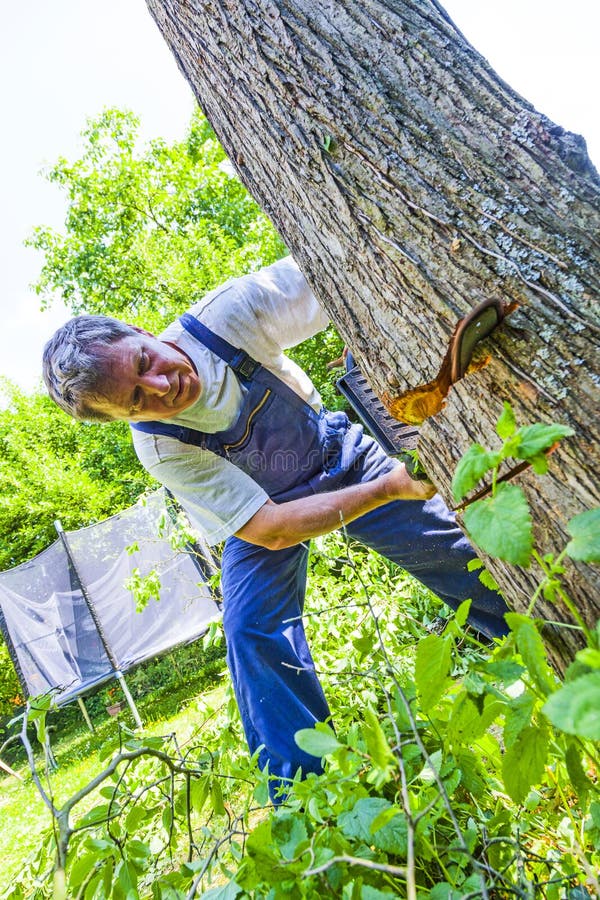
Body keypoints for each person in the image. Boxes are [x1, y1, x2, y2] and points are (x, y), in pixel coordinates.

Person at [43, 255, 508, 799]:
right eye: (137, 398)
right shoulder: (159, 447)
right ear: (123, 417)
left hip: (338, 458)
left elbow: (345, 268)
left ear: (144, 332)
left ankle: (543, 640)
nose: (160, 385)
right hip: (261, 513)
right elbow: (269, 530)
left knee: (456, 549)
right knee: (250, 630)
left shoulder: (229, 315)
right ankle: (309, 798)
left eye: (145, 360)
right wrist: (387, 488)